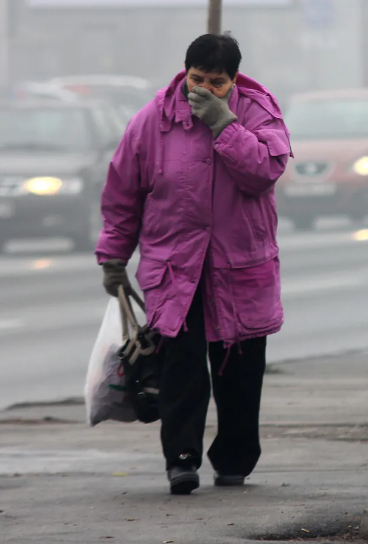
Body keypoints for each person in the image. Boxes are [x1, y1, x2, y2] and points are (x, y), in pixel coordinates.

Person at [95, 33, 292, 495]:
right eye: (196, 79)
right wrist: (113, 257)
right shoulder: (153, 121)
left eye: (216, 82)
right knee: (181, 369)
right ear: (184, 72)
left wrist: (226, 126)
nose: (203, 89)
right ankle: (180, 459)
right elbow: (123, 193)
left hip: (239, 266)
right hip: (174, 267)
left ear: (233, 80)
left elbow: (263, 172)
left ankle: (235, 458)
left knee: (238, 370)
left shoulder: (258, 113)